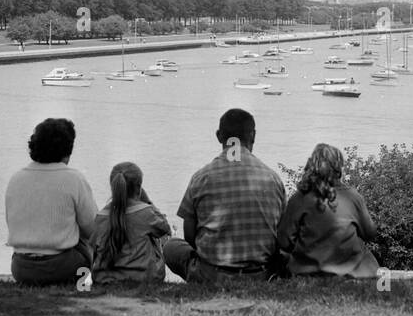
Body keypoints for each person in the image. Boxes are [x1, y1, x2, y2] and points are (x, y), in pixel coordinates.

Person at [164, 108, 286, 282]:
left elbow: (189, 235)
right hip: (261, 274)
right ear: (253, 135)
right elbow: (282, 234)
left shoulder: (201, 178)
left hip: (212, 274)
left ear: (219, 136)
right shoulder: (272, 179)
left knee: (171, 246)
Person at [5, 118, 97, 285]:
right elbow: (93, 230)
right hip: (64, 268)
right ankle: (84, 285)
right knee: (84, 239)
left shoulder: (16, 179)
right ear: (68, 149)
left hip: (21, 268)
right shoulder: (73, 179)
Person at [276, 143, 379, 279]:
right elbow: (370, 233)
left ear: (311, 167)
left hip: (308, 273)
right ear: (338, 168)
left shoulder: (299, 199)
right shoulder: (353, 197)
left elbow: (284, 242)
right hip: (349, 272)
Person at [90, 162, 171, 283]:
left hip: (105, 278)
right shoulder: (146, 212)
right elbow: (166, 229)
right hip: (144, 277)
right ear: (138, 188)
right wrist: (147, 201)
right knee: (162, 237)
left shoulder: (100, 217)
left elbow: (93, 250)